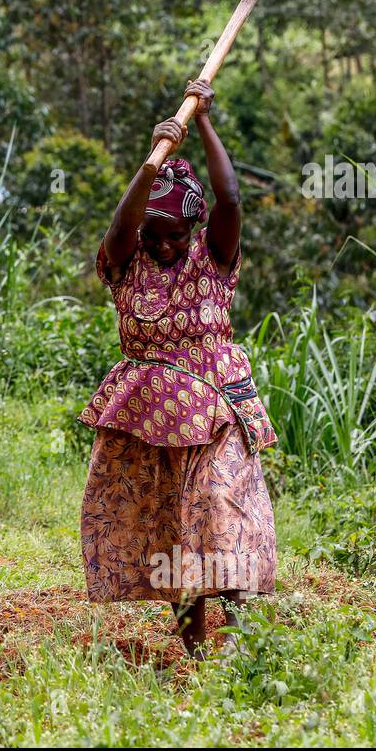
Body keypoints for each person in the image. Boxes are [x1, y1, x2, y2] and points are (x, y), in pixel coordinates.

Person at [78, 80, 277, 659]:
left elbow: (232, 199)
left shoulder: (212, 259)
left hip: (216, 408)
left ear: (192, 230)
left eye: (177, 234)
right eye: (156, 235)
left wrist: (204, 123)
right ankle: (192, 647)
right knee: (171, 531)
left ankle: (240, 642)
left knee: (223, 510)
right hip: (150, 418)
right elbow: (119, 227)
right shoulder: (124, 262)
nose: (166, 245)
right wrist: (152, 160)